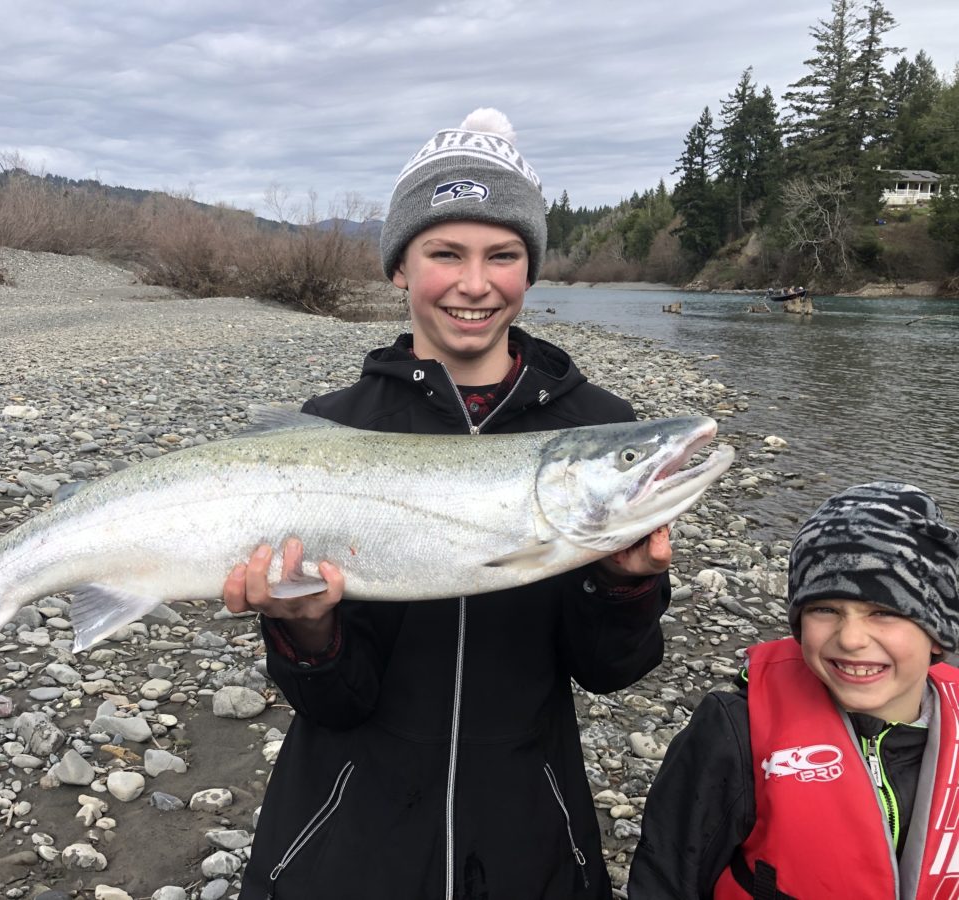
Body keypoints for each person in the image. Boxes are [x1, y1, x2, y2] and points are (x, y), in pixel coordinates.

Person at [223, 108, 673, 900]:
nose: (475, 283)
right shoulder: (330, 430)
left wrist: (625, 587)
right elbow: (335, 700)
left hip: (531, 837)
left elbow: (608, 673)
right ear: (399, 266)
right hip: (347, 833)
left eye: (502, 254)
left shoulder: (599, 432)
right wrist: (307, 627)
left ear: (529, 270)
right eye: (445, 253)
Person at [628, 481, 959, 900]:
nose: (852, 638)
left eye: (885, 612)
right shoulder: (734, 731)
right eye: (825, 609)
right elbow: (666, 879)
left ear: (937, 634)